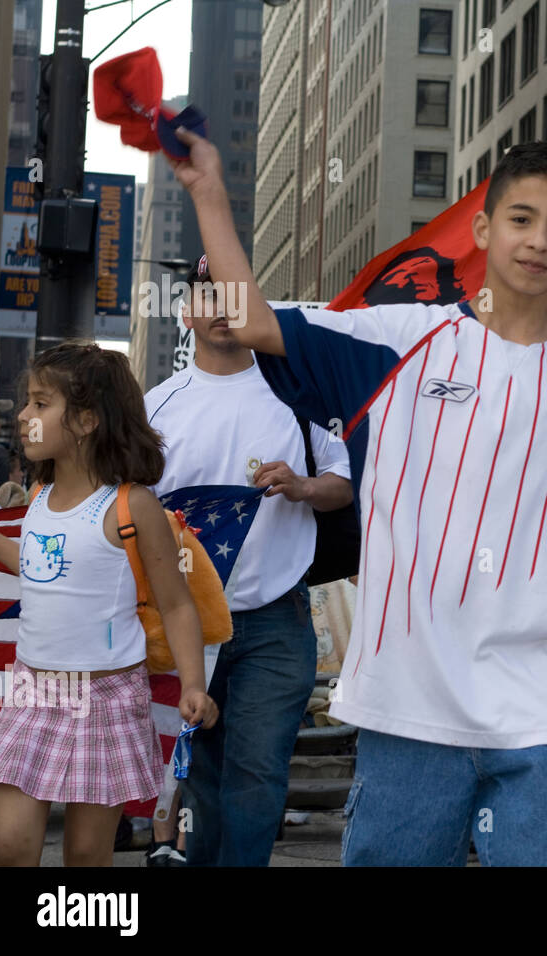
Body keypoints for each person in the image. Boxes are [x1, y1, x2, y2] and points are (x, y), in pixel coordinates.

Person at [170, 130, 547, 866]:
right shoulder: (395, 342)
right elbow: (253, 323)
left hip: (545, 707)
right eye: (522, 219)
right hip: (408, 700)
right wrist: (208, 190)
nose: (539, 242)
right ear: (484, 230)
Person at [143, 253, 354, 867]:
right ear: (185, 313)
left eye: (231, 295)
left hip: (275, 618)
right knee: (199, 777)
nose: (219, 310)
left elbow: (343, 483)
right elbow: (128, 513)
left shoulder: (299, 395)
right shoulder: (157, 407)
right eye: (205, 298)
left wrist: (303, 486)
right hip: (187, 625)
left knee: (257, 772)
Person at [0, 343, 217, 865]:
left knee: (87, 855)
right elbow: (41, 565)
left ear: (87, 419)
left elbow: (177, 605)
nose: (23, 416)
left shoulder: (132, 505)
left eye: (40, 404)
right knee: (10, 846)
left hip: (105, 699)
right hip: (31, 691)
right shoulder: (39, 493)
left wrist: (193, 684)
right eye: (26, 402)